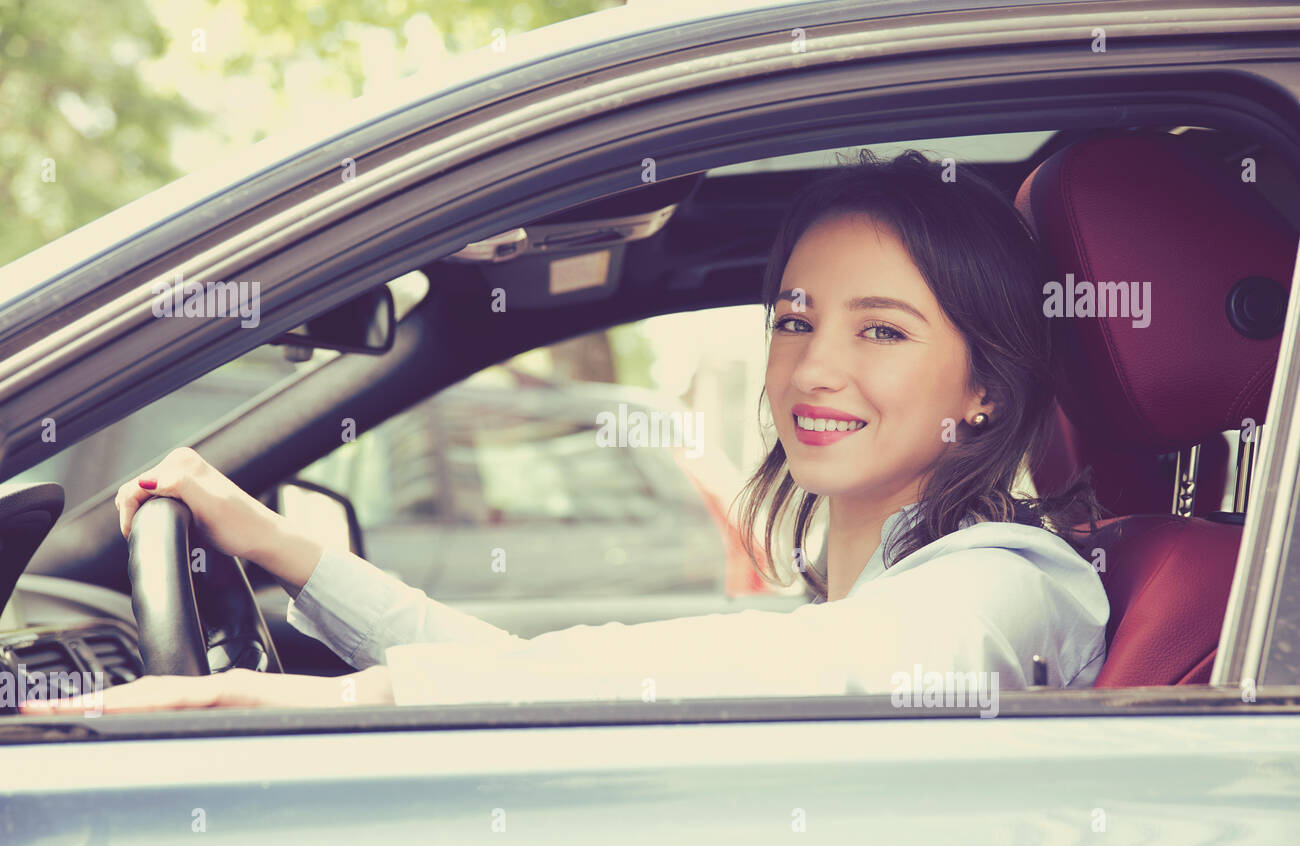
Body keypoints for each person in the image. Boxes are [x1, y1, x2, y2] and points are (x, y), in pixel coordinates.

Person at [21, 149, 1109, 715]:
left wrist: (349, 696)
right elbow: (541, 675)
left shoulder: (1003, 587)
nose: (815, 365)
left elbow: (819, 669)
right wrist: (278, 543)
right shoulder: (870, 590)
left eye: (882, 329)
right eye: (795, 317)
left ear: (982, 387)